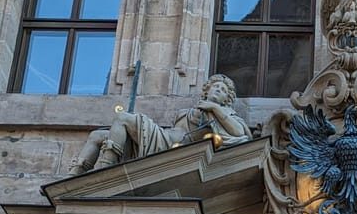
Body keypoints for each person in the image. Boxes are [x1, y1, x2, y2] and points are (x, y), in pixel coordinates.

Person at [68, 74, 251, 175]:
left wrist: (214, 108)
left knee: (123, 118)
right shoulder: (190, 111)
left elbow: (239, 133)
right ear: (207, 89)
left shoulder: (225, 114)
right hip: (161, 141)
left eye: (222, 90)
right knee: (96, 136)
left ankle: (104, 171)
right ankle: (75, 173)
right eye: (215, 87)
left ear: (227, 98)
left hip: (170, 148)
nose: (218, 91)